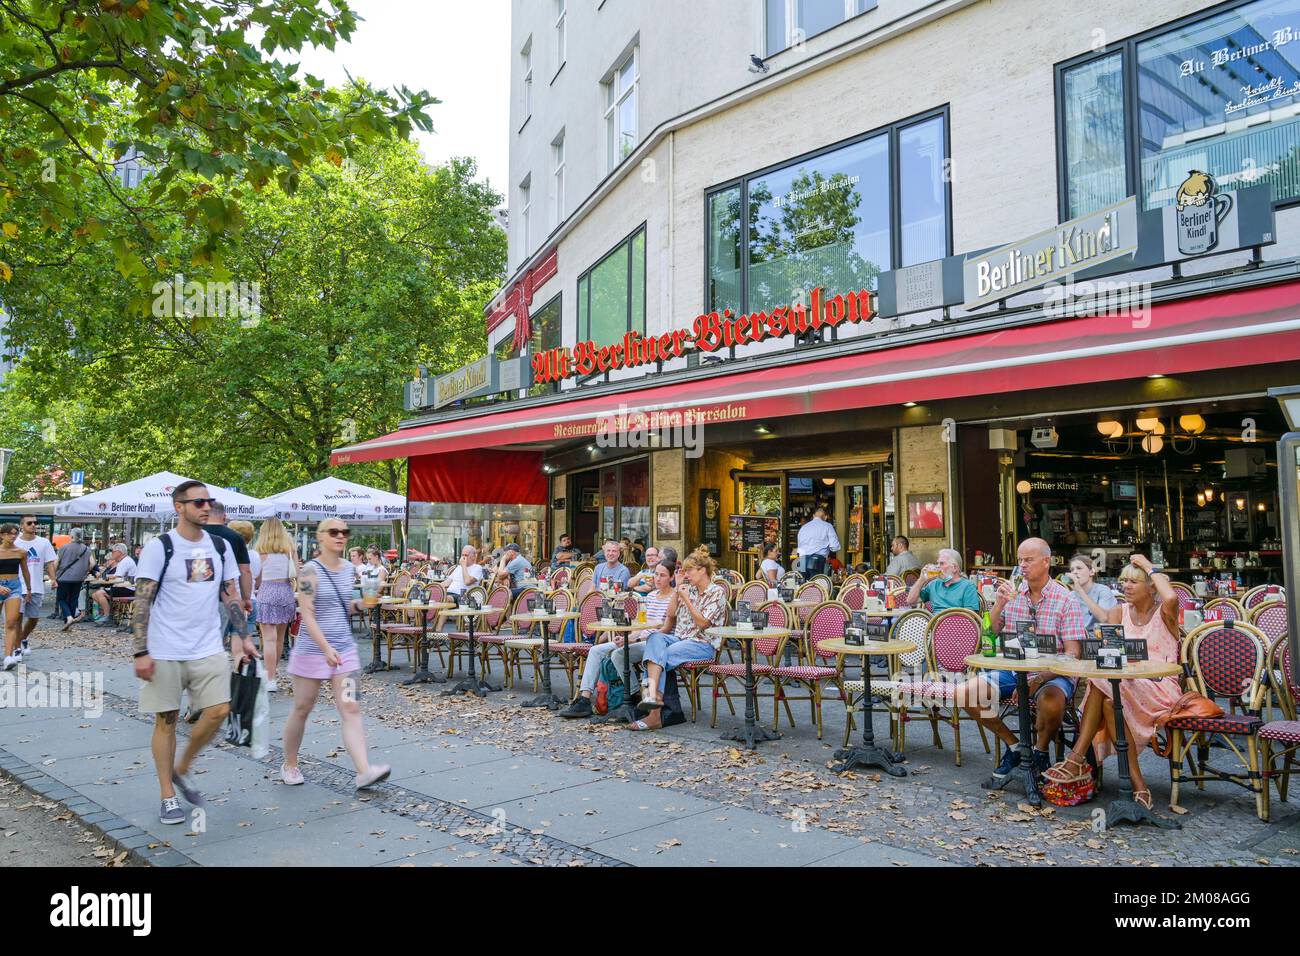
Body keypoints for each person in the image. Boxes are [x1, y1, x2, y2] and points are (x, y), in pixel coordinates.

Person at [131, 481, 256, 825]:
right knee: (166, 720)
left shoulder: (219, 545)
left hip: (207, 646)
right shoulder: (161, 547)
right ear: (179, 507)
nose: (205, 506)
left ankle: (182, 767)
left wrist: (244, 636)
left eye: (209, 501)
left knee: (218, 710)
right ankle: (167, 795)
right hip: (165, 649)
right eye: (197, 501)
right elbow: (142, 600)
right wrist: (140, 650)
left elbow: (229, 593)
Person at [1045, 555, 1183, 809]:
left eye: (1134, 582)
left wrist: (1148, 566)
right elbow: (1107, 650)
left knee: (1103, 685)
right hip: (1123, 683)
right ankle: (1138, 784)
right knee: (1109, 701)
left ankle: (1076, 757)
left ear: (1151, 586)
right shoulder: (1120, 612)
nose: (1126, 586)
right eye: (1124, 581)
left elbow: (1172, 597)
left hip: (1160, 686)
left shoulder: (1164, 613)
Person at [954, 537, 1085, 783]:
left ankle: (1040, 751)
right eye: (1020, 560)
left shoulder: (1065, 599)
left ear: (1046, 562)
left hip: (1052, 672)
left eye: (1029, 560)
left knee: (1051, 703)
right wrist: (1000, 602)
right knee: (965, 693)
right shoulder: (1014, 594)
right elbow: (990, 633)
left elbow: (1073, 654)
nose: (1022, 566)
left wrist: (1041, 677)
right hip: (1014, 670)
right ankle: (1015, 747)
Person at [280, 519, 391, 790]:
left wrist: (364, 604)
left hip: (345, 651)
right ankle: (290, 763)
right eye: (334, 532)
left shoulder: (349, 570)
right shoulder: (309, 572)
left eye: (344, 532)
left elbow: (346, 606)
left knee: (351, 707)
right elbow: (307, 613)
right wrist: (325, 648)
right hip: (311, 650)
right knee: (302, 707)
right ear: (320, 537)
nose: (340, 536)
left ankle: (364, 771)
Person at [561, 559, 678, 718]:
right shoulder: (650, 596)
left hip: (657, 643)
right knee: (596, 650)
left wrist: (633, 640)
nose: (657, 578)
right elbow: (642, 625)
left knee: (619, 654)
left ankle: (634, 695)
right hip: (640, 639)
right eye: (656, 574)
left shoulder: (674, 597)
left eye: (662, 575)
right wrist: (627, 638)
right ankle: (584, 699)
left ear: (671, 578)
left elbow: (664, 629)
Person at [633, 547, 728, 729]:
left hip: (702, 644)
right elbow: (670, 615)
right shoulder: (687, 589)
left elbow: (703, 624)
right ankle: (653, 700)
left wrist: (687, 599)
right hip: (680, 639)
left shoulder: (717, 592)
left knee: (660, 653)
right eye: (683, 571)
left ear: (702, 570)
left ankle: (652, 707)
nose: (686, 574)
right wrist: (677, 590)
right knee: (654, 639)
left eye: (689, 570)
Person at [252, 517, 298, 691]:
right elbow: (297, 573)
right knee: (279, 639)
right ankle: (273, 673)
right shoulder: (290, 550)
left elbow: (257, 579)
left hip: (267, 592)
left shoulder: (260, 551)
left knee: (268, 639)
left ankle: (270, 678)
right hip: (286, 593)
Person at [204, 501, 253, 640]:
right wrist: (246, 598)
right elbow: (245, 571)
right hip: (224, 596)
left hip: (198, 597)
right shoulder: (235, 537)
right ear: (224, 516)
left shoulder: (197, 534)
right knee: (215, 642)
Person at [16, 517, 56, 658]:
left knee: (33, 618)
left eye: (35, 523)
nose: (33, 525)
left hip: (37, 586)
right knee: (17, 618)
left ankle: (23, 638)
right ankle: (16, 649)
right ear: (22, 526)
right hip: (17, 586)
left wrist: (53, 579)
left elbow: (50, 562)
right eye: (29, 523)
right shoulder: (15, 542)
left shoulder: (43, 542)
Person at [905, 548, 981, 612]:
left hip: (958, 627)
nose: (937, 567)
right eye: (937, 563)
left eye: (941, 563)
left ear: (954, 568)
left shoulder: (968, 586)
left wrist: (945, 623)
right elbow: (910, 601)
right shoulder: (934, 584)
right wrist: (921, 579)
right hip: (934, 627)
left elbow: (971, 615)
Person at [0, 524, 33, 670]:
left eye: (15, 533)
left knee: (12, 622)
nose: (13, 536)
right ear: (2, 535)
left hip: (14, 587)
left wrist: (29, 589)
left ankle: (8, 657)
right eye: (9, 534)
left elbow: (25, 572)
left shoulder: (21, 552)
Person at [1067, 553, 1116, 632]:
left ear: (1091, 572)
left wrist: (1080, 591)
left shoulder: (1103, 591)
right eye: (1072, 570)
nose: (1074, 572)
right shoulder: (1071, 595)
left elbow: (1104, 618)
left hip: (1098, 637)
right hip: (1078, 636)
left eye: (1079, 568)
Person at [55, 528, 92, 630]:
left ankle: (69, 617)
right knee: (73, 599)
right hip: (79, 578)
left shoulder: (64, 547)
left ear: (71, 536)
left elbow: (56, 563)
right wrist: (85, 570)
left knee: (61, 598)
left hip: (64, 577)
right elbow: (92, 563)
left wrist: (53, 576)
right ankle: (68, 621)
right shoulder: (86, 549)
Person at [92, 544, 136, 627]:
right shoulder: (123, 561)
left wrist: (104, 576)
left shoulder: (125, 561)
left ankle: (107, 616)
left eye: (113, 552)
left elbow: (117, 577)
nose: (112, 554)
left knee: (99, 593)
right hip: (123, 587)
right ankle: (109, 614)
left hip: (127, 588)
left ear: (119, 552)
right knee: (95, 595)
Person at [796, 507, 839, 576]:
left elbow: (799, 547)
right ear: (825, 517)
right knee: (816, 585)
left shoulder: (803, 528)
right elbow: (835, 547)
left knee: (803, 585)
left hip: (802, 560)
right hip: (816, 560)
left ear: (813, 516)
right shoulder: (827, 526)